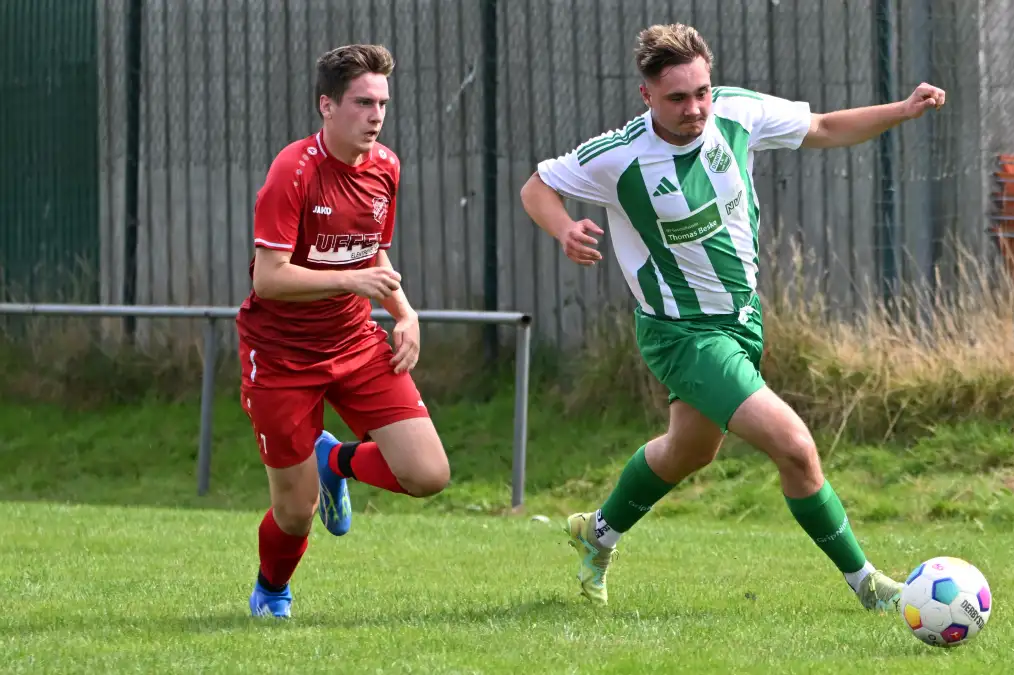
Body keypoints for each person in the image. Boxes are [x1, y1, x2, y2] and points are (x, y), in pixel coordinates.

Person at [520, 24, 945, 612]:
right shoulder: (619, 155)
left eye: (702, 92)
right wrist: (564, 227)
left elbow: (821, 127)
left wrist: (900, 109)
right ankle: (868, 585)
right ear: (646, 97)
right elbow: (537, 186)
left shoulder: (738, 114)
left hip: (742, 321)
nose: (694, 108)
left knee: (689, 451)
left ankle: (596, 534)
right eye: (677, 98)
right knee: (795, 446)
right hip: (681, 333)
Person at [236, 44, 451, 619]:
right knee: (295, 513)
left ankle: (335, 463)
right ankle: (272, 589)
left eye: (381, 102)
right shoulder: (293, 172)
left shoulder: (386, 167)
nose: (376, 115)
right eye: (362, 102)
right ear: (326, 106)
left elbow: (375, 255)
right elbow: (270, 278)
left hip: (354, 345)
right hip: (280, 357)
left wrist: (406, 314)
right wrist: (351, 281)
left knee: (429, 474)